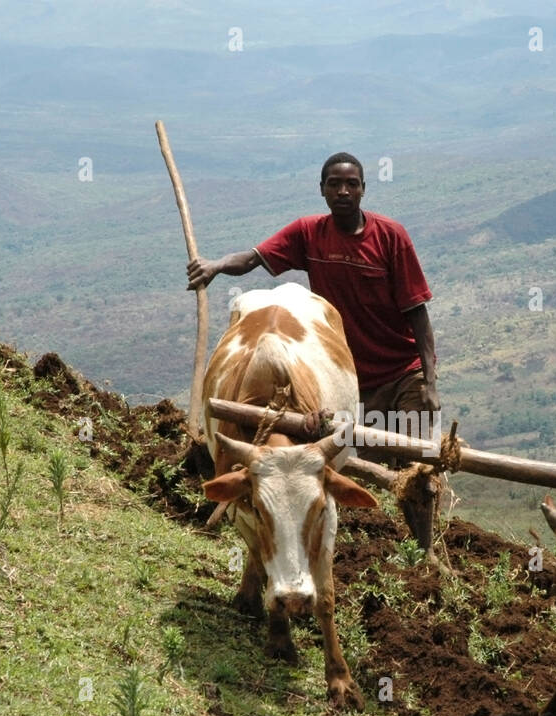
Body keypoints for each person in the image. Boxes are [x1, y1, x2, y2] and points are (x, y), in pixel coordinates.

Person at [187, 152, 442, 550]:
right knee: (374, 472)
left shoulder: (391, 237)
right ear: (322, 190)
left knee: (416, 472)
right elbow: (254, 258)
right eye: (334, 184)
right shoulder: (309, 233)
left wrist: (429, 380)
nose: (343, 191)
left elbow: (418, 313)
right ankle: (389, 553)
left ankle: (425, 555)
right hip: (356, 383)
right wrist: (216, 266)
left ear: (363, 189)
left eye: (351, 184)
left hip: (403, 373)